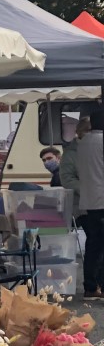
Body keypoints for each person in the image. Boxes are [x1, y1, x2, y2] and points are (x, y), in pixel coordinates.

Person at [74, 108, 104, 298]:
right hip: (102, 199)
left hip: (89, 200)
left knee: (94, 245)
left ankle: (91, 286)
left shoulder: (84, 142)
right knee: (99, 246)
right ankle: (95, 285)